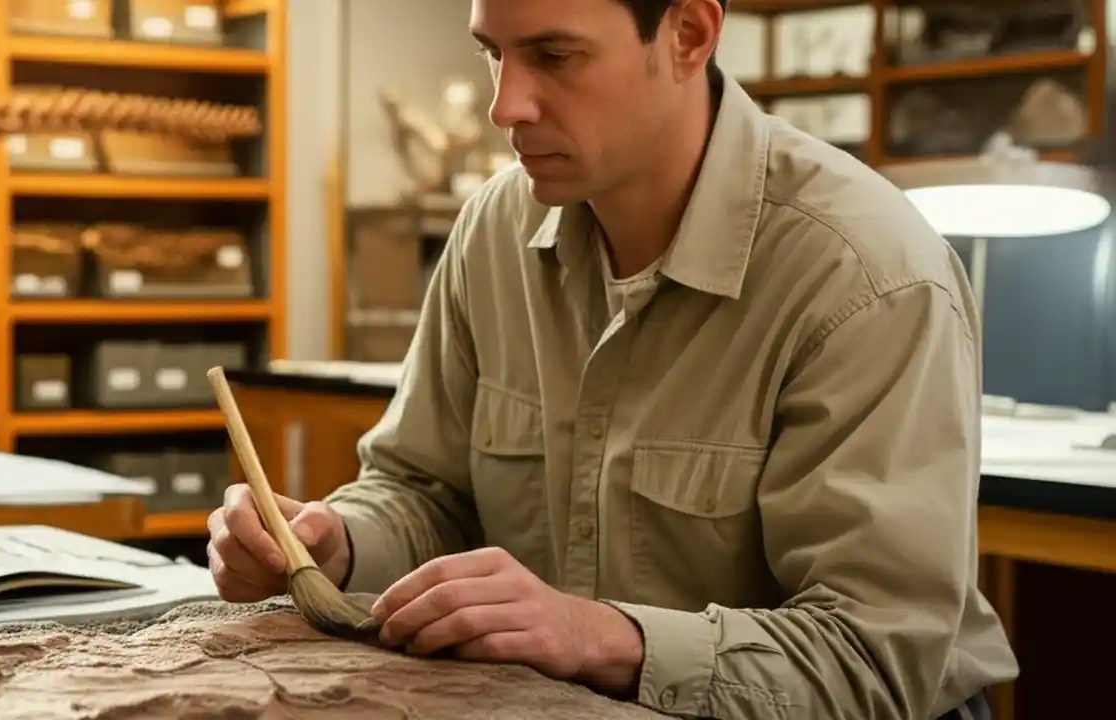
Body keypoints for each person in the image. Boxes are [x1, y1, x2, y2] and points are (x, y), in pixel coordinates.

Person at [207, 0, 1019, 717]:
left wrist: (602, 635)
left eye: (554, 56)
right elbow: (424, 490)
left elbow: (876, 660)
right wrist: (335, 542)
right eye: (493, 51)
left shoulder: (867, 274)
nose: (505, 104)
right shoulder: (495, 229)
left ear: (688, 33)